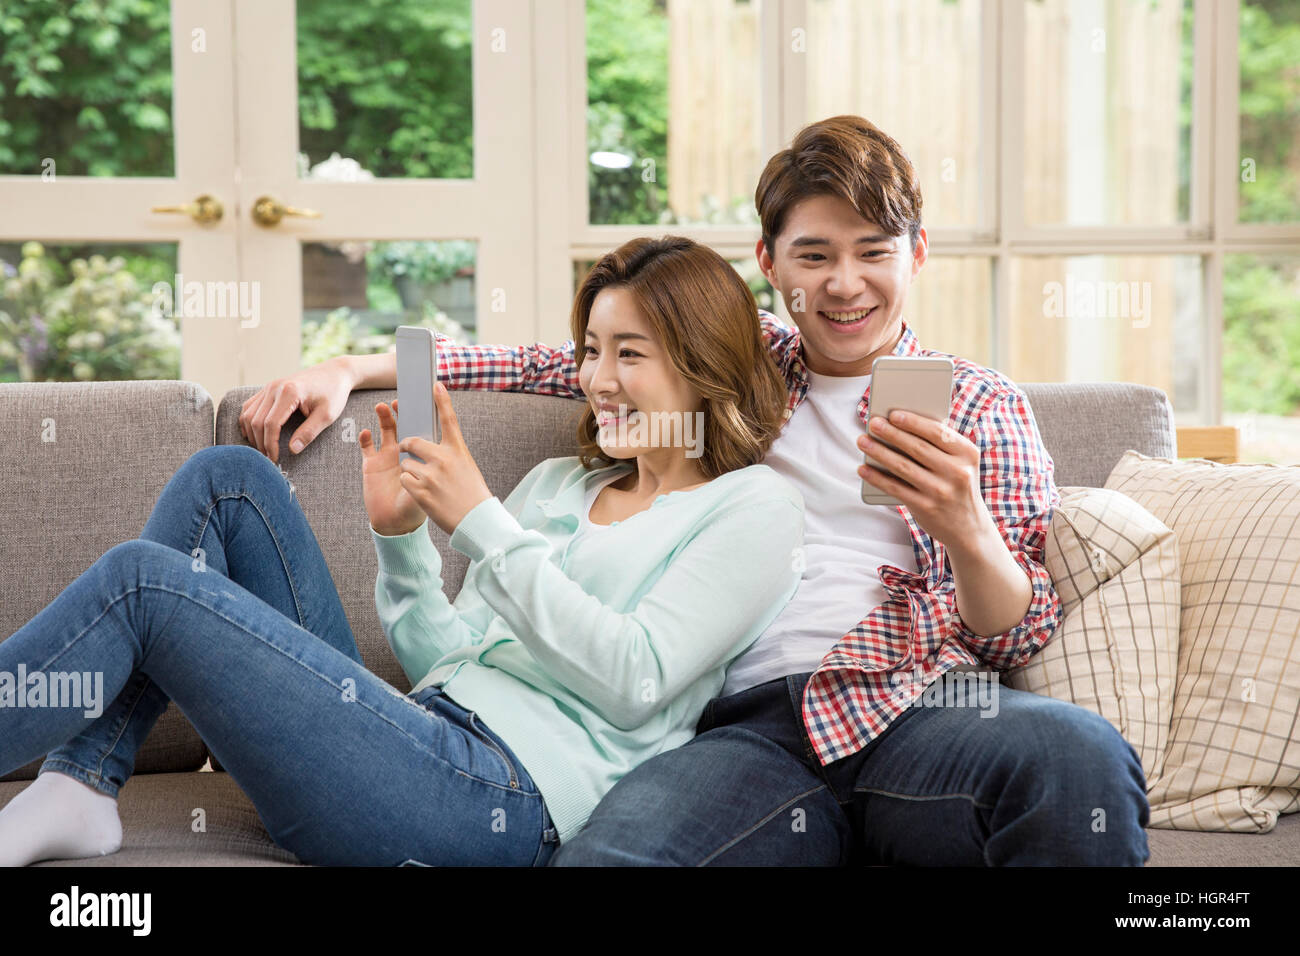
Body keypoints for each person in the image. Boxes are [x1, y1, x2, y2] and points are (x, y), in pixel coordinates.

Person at [235, 115, 1152, 866]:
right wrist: (355, 364)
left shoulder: (984, 406)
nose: (843, 284)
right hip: (738, 730)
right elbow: (564, 362)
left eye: (873, 252)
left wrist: (965, 531)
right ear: (770, 260)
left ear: (919, 253)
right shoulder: (740, 362)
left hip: (914, 711)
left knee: (1076, 755)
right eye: (813, 255)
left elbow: (1017, 628)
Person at [0, 236, 804, 867]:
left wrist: (482, 521)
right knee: (229, 479)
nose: (597, 378)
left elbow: (637, 678)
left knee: (143, 583)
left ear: (705, 365)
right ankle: (80, 781)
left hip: (502, 797)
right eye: (591, 350)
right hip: (417, 737)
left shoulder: (753, 508)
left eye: (630, 354)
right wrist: (403, 537)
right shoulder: (563, 482)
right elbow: (444, 659)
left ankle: (72, 785)